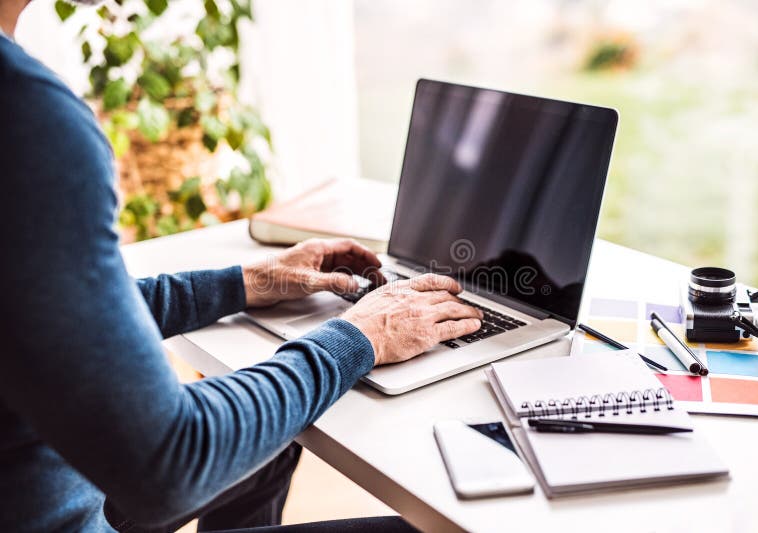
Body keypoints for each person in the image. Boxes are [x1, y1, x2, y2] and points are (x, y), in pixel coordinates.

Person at [0, 1, 484, 531]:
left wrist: (245, 283)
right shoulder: (26, 116)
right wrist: (360, 335)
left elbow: (46, 316)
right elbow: (171, 464)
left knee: (266, 447)